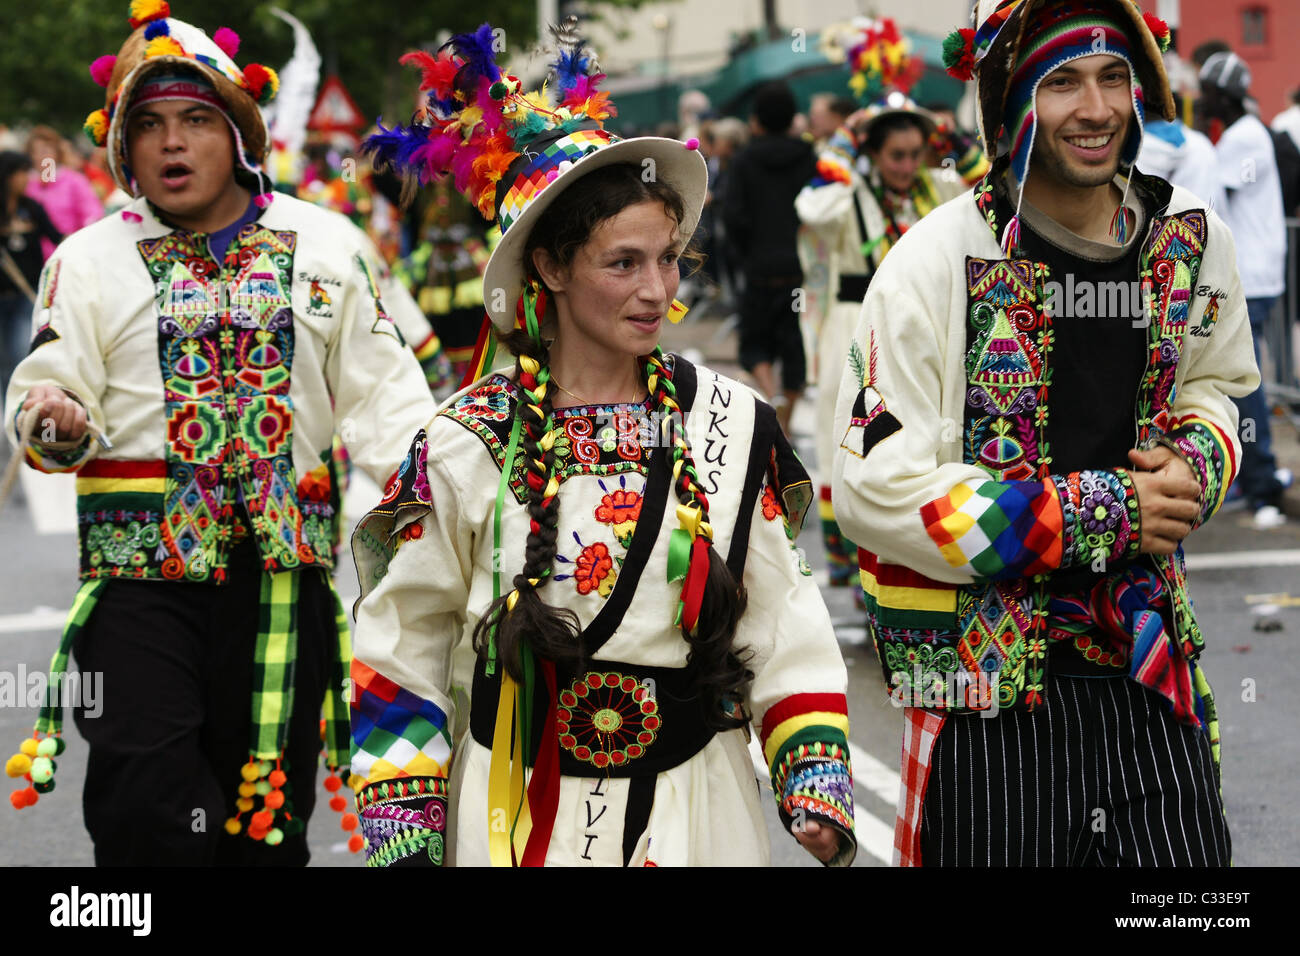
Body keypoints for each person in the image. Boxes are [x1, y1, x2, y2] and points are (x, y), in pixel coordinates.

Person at [352, 22, 856, 867]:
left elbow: (782, 613)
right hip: (515, 805)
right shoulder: (467, 440)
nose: (657, 290)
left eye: (668, 259)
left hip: (697, 807)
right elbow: (403, 634)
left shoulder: (732, 424)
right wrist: (404, 818)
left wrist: (810, 767)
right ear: (547, 267)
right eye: (623, 263)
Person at [3, 3, 437, 864]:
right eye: (150, 125)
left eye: (196, 121)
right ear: (122, 145)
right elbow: (45, 386)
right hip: (137, 586)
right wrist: (53, 418)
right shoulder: (86, 260)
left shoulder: (325, 245)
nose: (172, 144)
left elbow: (393, 408)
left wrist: (446, 528)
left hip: (283, 585)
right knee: (142, 809)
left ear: (240, 133)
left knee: (266, 829)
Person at [832, 0, 1258, 867]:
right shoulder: (935, 262)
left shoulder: (1189, 240)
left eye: (1114, 78)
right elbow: (876, 489)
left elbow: (1220, 384)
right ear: (1008, 106)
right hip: (987, 695)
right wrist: (1104, 511)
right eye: (1061, 81)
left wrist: (1196, 462)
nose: (1096, 108)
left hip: (1146, 666)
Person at [797, 20, 982, 594]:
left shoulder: (937, 190)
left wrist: (951, 140)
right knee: (851, 441)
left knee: (924, 434)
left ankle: (917, 552)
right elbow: (814, 208)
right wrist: (846, 142)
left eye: (915, 152)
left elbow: (986, 187)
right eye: (894, 154)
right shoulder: (848, 192)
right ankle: (847, 564)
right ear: (872, 152)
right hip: (853, 328)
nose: (906, 164)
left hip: (923, 326)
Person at [1199, 51, 1289, 528]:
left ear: (1223, 95)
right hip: (1255, 272)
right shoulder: (1243, 134)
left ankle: (1259, 479)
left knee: (1244, 383)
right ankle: (1250, 475)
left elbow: (1213, 199)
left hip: (1250, 276)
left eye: (1208, 92)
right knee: (1240, 377)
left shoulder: (1242, 138)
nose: (1202, 99)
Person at [724, 82, 817, 434]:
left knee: (755, 342)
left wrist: (744, 256)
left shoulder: (745, 160)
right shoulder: (808, 156)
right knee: (795, 347)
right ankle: (788, 421)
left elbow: (734, 216)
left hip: (760, 268)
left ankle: (771, 392)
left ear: (757, 120)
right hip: (800, 270)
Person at [0, 151, 62, 398]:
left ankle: (20, 412)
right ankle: (7, 420)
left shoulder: (32, 208)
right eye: (21, 172)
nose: (27, 178)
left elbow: (58, 238)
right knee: (3, 362)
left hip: (25, 296)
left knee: (20, 356)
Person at [24, 126, 104, 257]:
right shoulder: (26, 184)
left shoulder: (74, 180)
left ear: (57, 152)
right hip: (34, 258)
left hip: (69, 251)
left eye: (45, 150)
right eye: (35, 151)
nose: (40, 156)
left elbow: (92, 212)